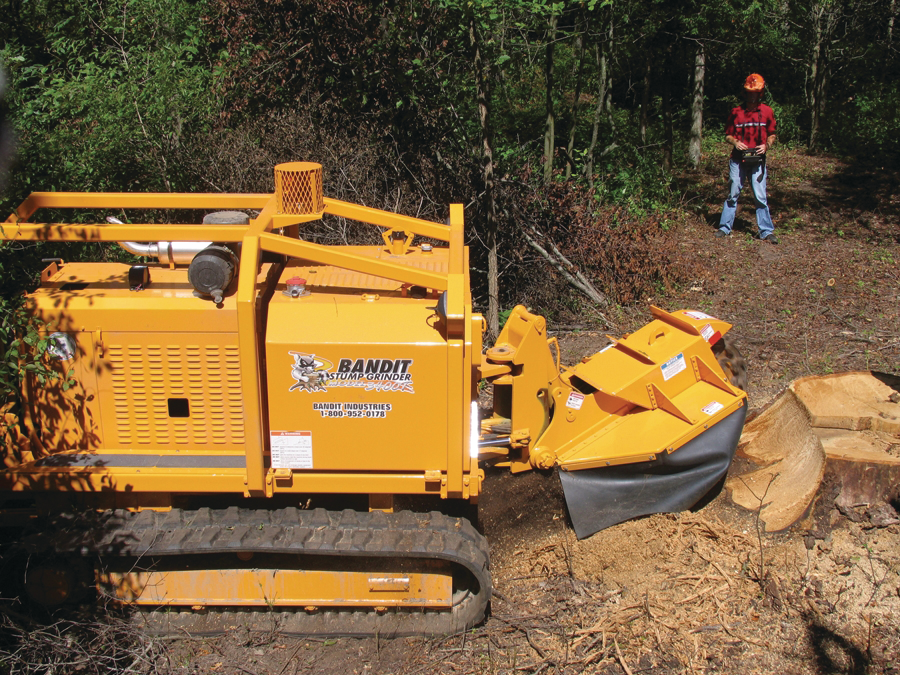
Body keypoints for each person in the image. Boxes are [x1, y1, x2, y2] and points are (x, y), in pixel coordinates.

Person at [716, 73, 778, 243]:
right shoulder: (736, 112)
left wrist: (766, 145)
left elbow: (772, 134)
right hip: (738, 159)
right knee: (733, 192)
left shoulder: (767, 111)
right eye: (749, 93)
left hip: (758, 160)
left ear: (760, 94)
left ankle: (766, 230)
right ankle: (725, 227)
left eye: (755, 93)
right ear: (745, 93)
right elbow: (727, 135)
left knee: (760, 195)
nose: (752, 96)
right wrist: (735, 142)